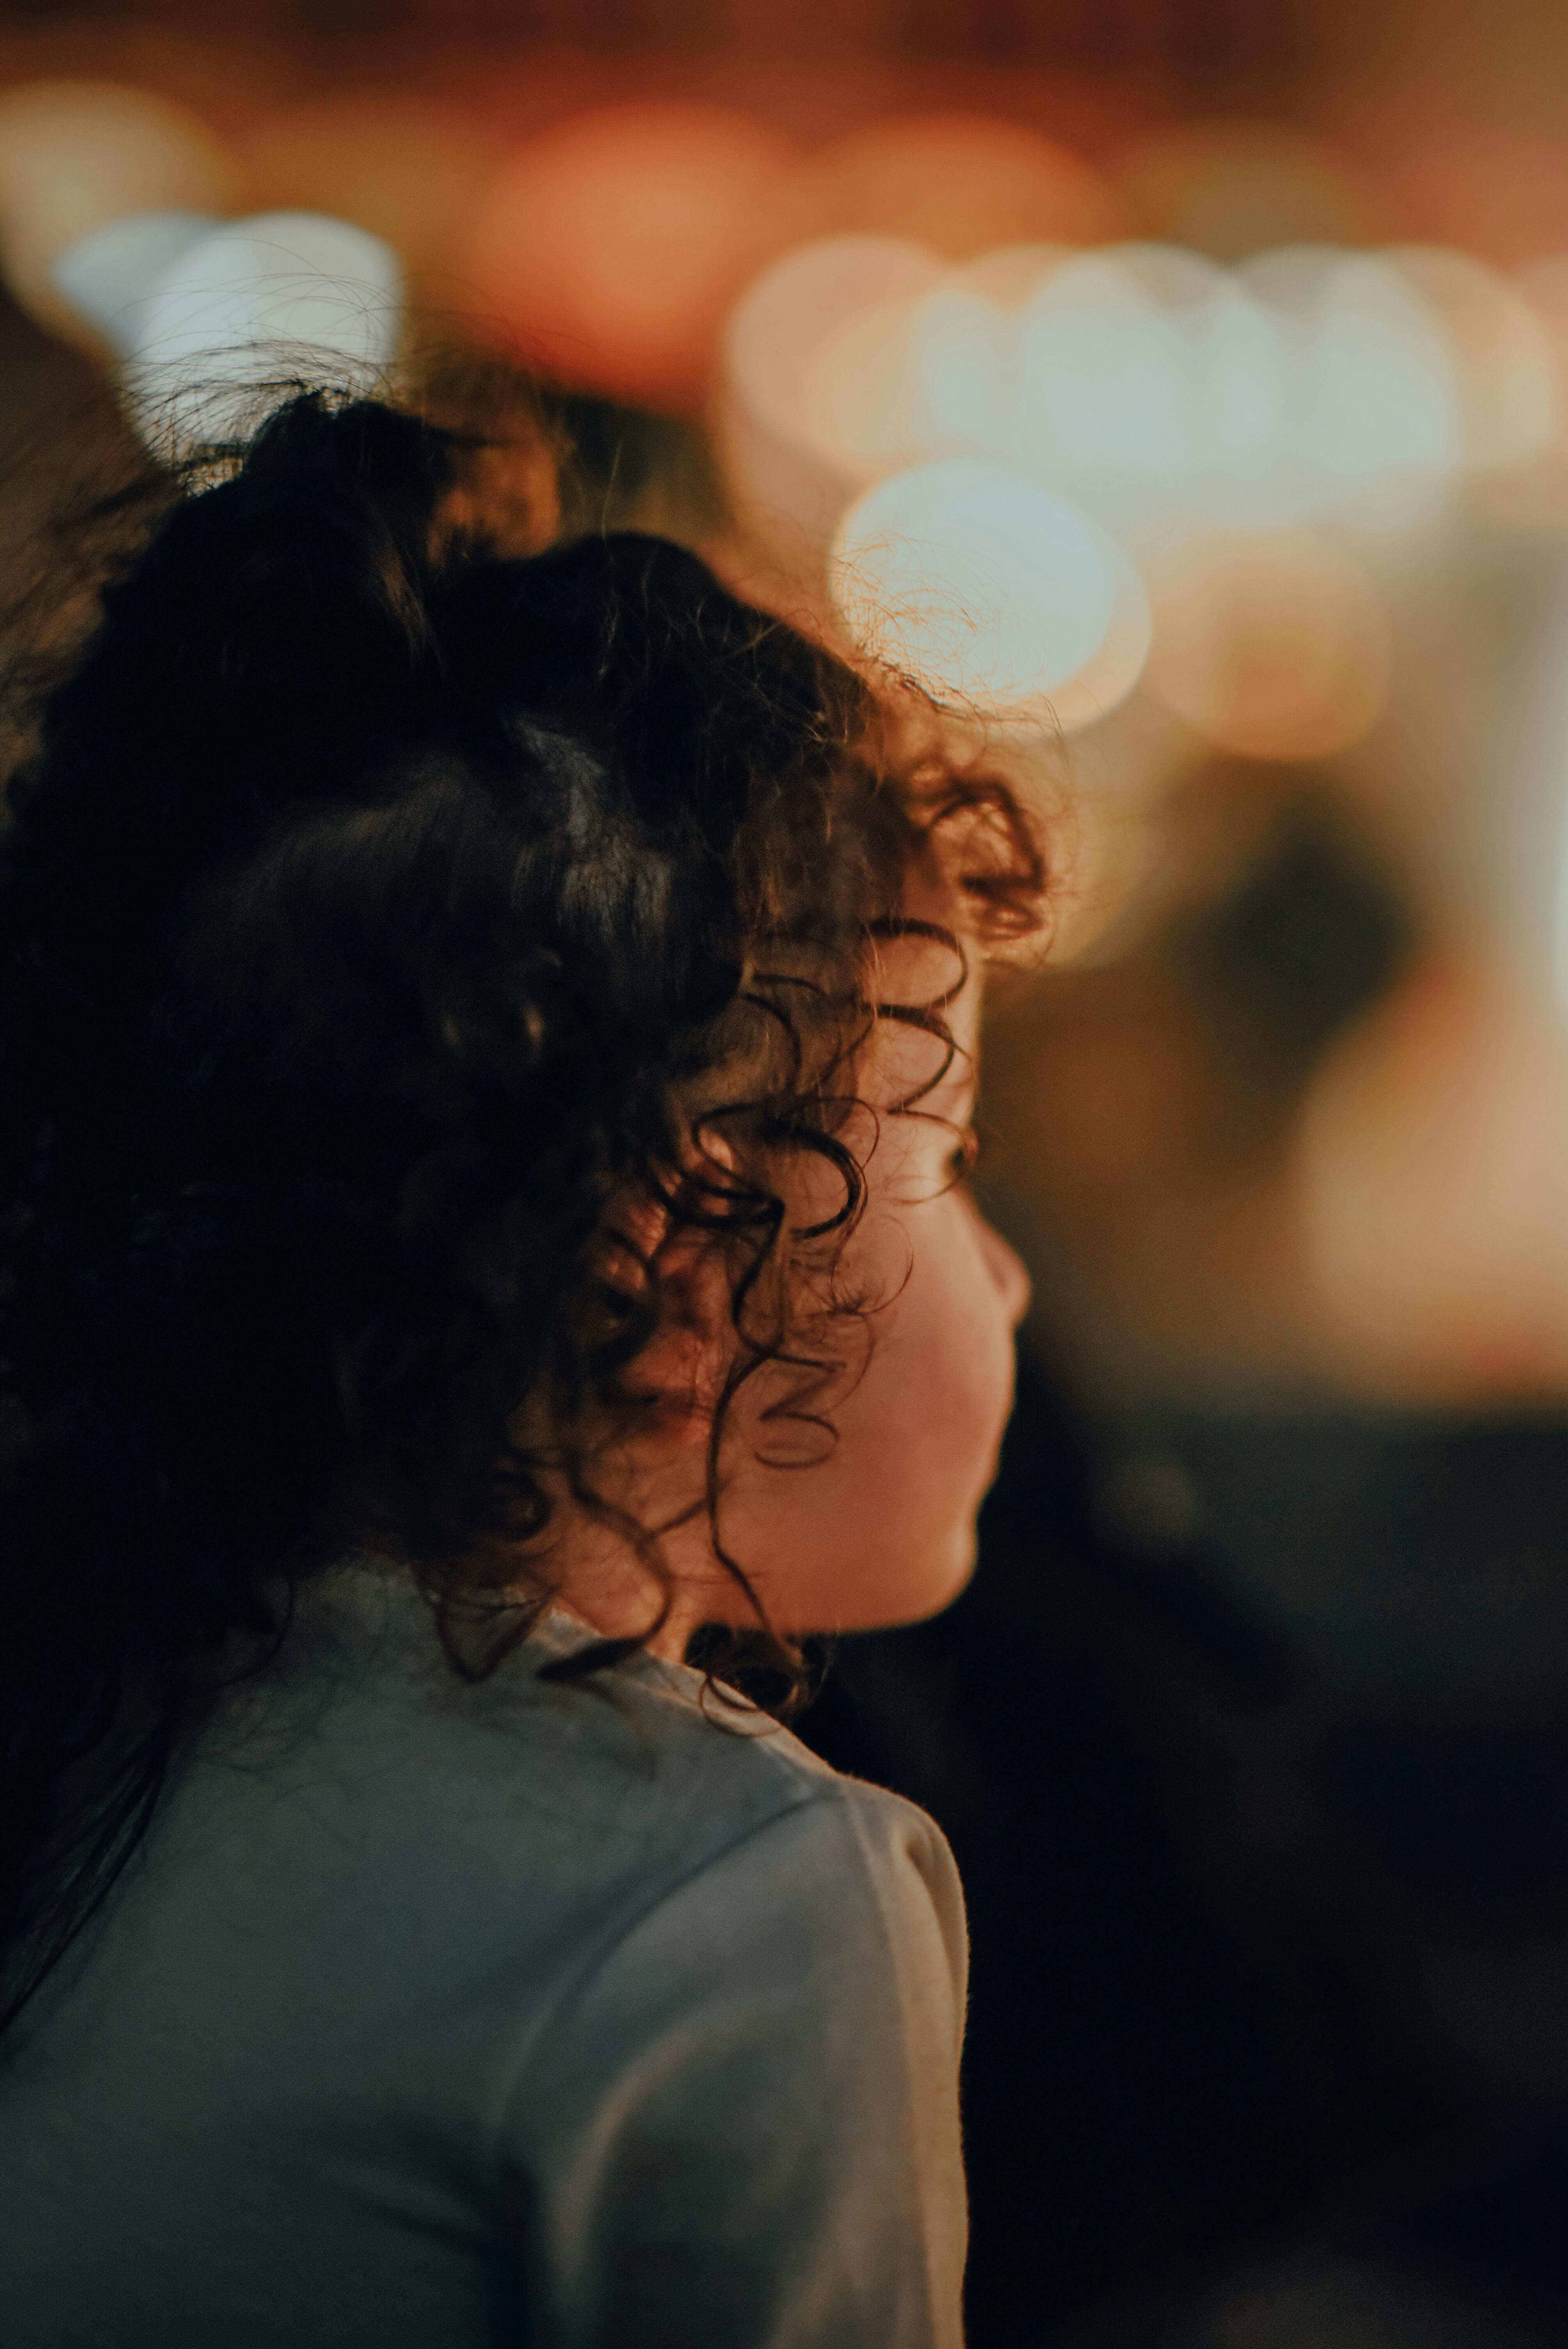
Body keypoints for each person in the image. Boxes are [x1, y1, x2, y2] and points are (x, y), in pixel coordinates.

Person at [0, 390, 1041, 2349]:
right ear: (674, 1262)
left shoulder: (77, 1707)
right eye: (950, 1155)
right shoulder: (728, 1902)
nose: (1007, 1270)